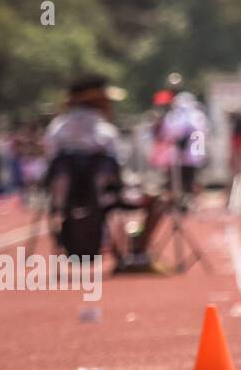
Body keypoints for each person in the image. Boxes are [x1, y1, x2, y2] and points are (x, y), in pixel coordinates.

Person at [44, 74, 167, 271]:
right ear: (98, 101)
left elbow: (49, 161)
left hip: (64, 203)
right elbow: (119, 170)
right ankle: (137, 252)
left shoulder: (57, 129)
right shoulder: (105, 131)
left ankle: (127, 252)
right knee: (160, 199)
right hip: (105, 200)